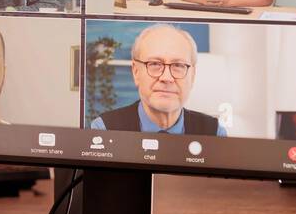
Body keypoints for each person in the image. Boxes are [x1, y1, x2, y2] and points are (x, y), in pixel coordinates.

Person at [90, 24, 225, 136]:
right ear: (136, 72)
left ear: (193, 75)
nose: (166, 78)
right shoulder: (104, 130)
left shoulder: (215, 134)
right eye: (155, 64)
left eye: (178, 65)